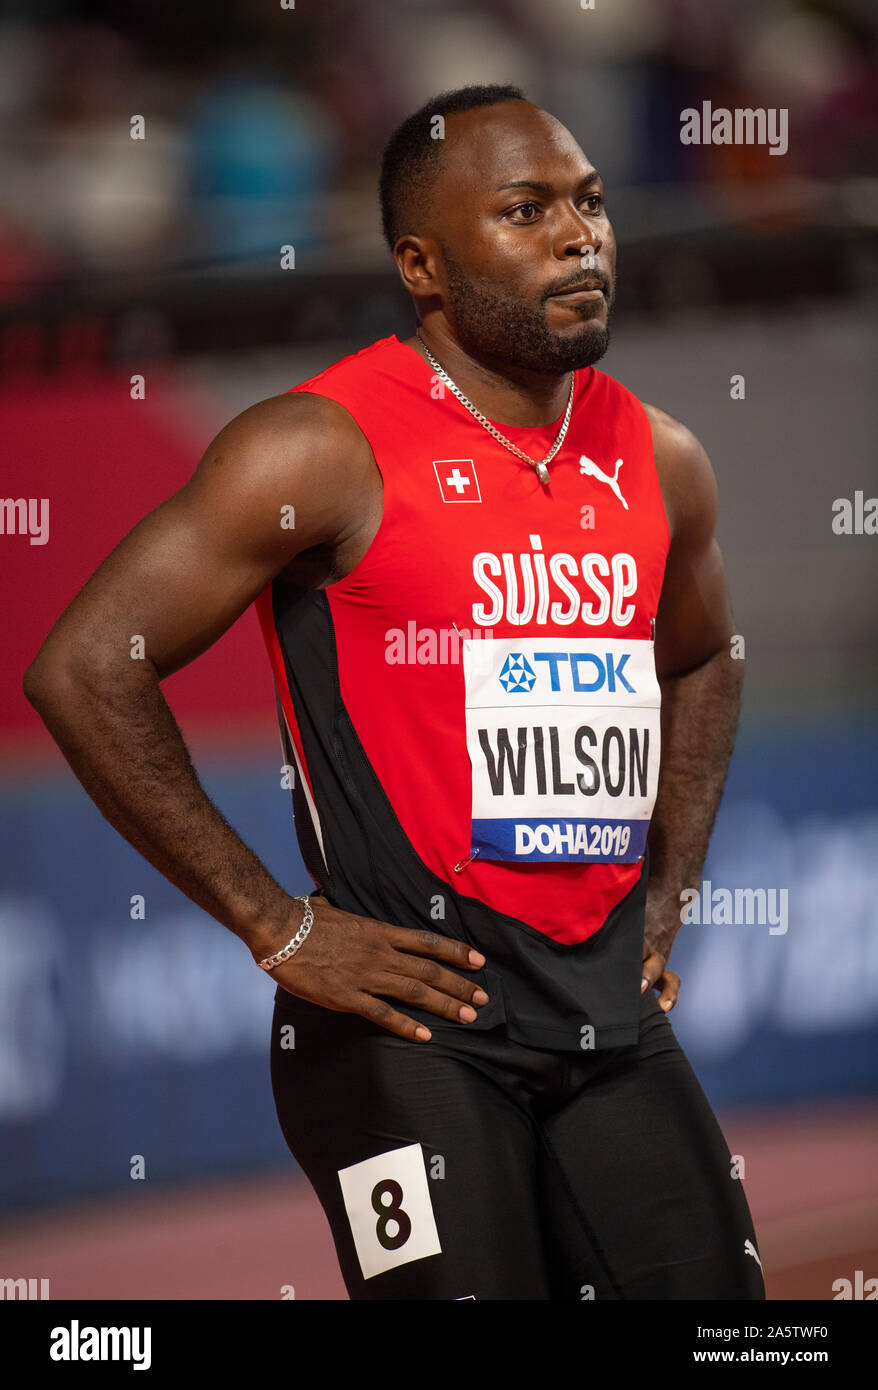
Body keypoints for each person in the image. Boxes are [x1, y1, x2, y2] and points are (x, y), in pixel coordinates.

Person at [23, 83, 765, 1301]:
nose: (579, 238)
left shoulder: (660, 457)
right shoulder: (317, 448)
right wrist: (277, 923)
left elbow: (700, 659)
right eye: (524, 212)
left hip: (602, 1018)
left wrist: (668, 887)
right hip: (405, 1031)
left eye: (587, 203)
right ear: (420, 263)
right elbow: (87, 666)